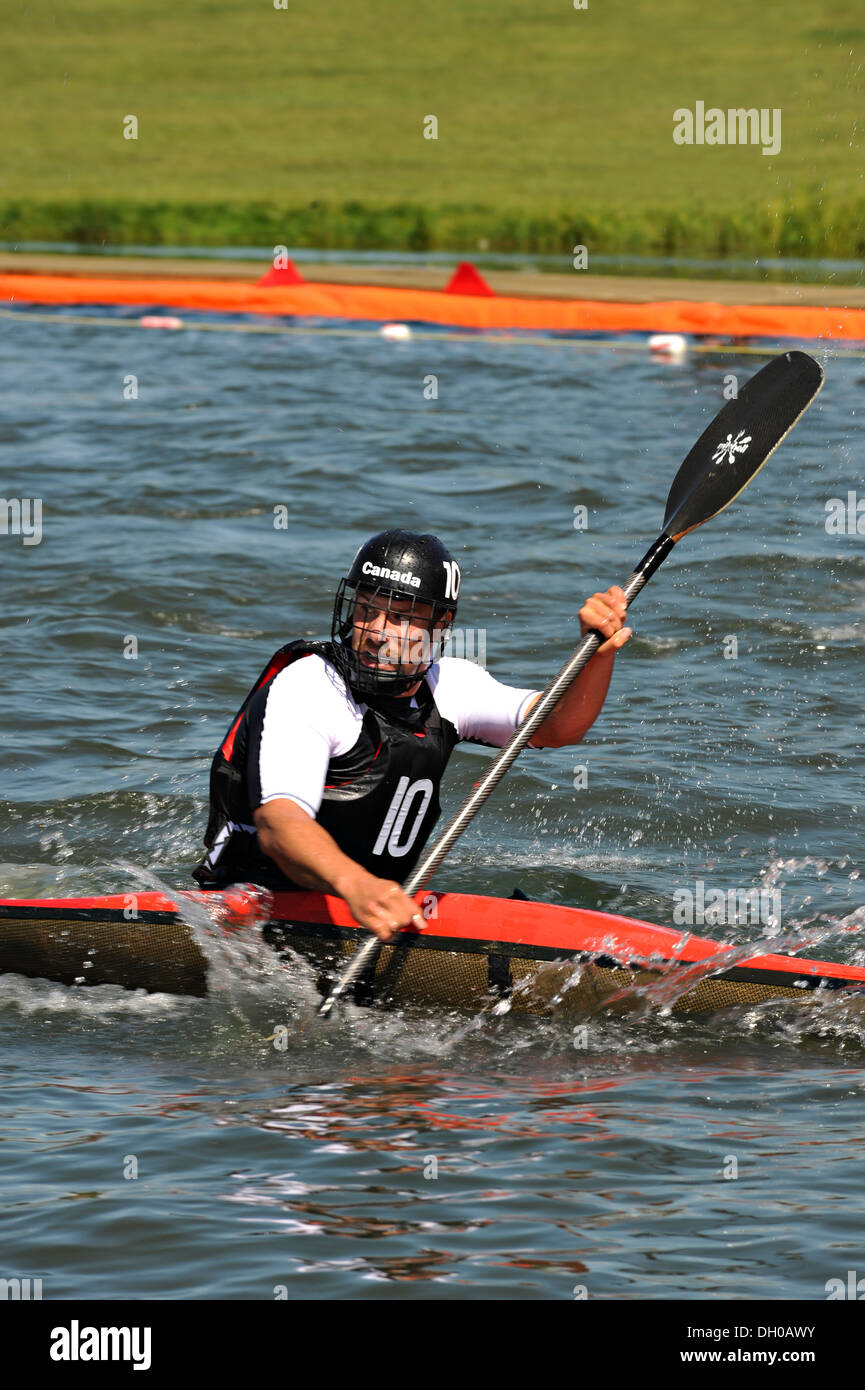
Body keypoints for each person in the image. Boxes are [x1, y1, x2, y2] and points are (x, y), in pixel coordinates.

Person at [193, 529, 630, 940]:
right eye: (367, 610)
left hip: (372, 907)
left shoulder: (450, 686)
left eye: (401, 617)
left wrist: (598, 655)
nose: (376, 633)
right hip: (255, 907)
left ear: (440, 625)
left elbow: (558, 727)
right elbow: (280, 825)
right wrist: (357, 885)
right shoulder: (310, 686)